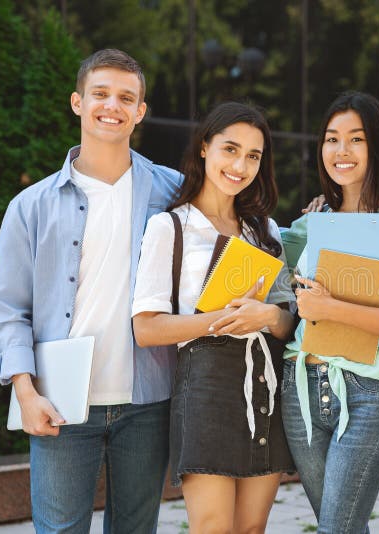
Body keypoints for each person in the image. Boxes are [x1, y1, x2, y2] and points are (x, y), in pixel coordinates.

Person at [0, 49, 181, 532]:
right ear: (77, 101)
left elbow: (233, 233)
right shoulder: (31, 206)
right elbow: (5, 308)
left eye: (126, 97)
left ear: (140, 111)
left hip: (148, 402)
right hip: (60, 402)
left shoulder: (173, 192)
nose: (112, 105)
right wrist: (25, 392)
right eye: (101, 94)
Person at [131, 102, 295, 533]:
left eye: (253, 156)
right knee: (213, 528)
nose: (240, 165)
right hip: (204, 393)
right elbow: (146, 328)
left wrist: (266, 316)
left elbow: (288, 323)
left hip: (265, 387)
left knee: (252, 528)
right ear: (205, 148)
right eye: (230, 149)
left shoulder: (265, 230)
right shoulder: (171, 228)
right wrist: (220, 319)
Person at [279, 91, 379, 533]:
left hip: (367, 394)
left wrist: (331, 308)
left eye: (356, 139)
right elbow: (269, 264)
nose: (340, 151)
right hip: (301, 390)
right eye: (331, 139)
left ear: (377, 147)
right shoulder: (314, 221)